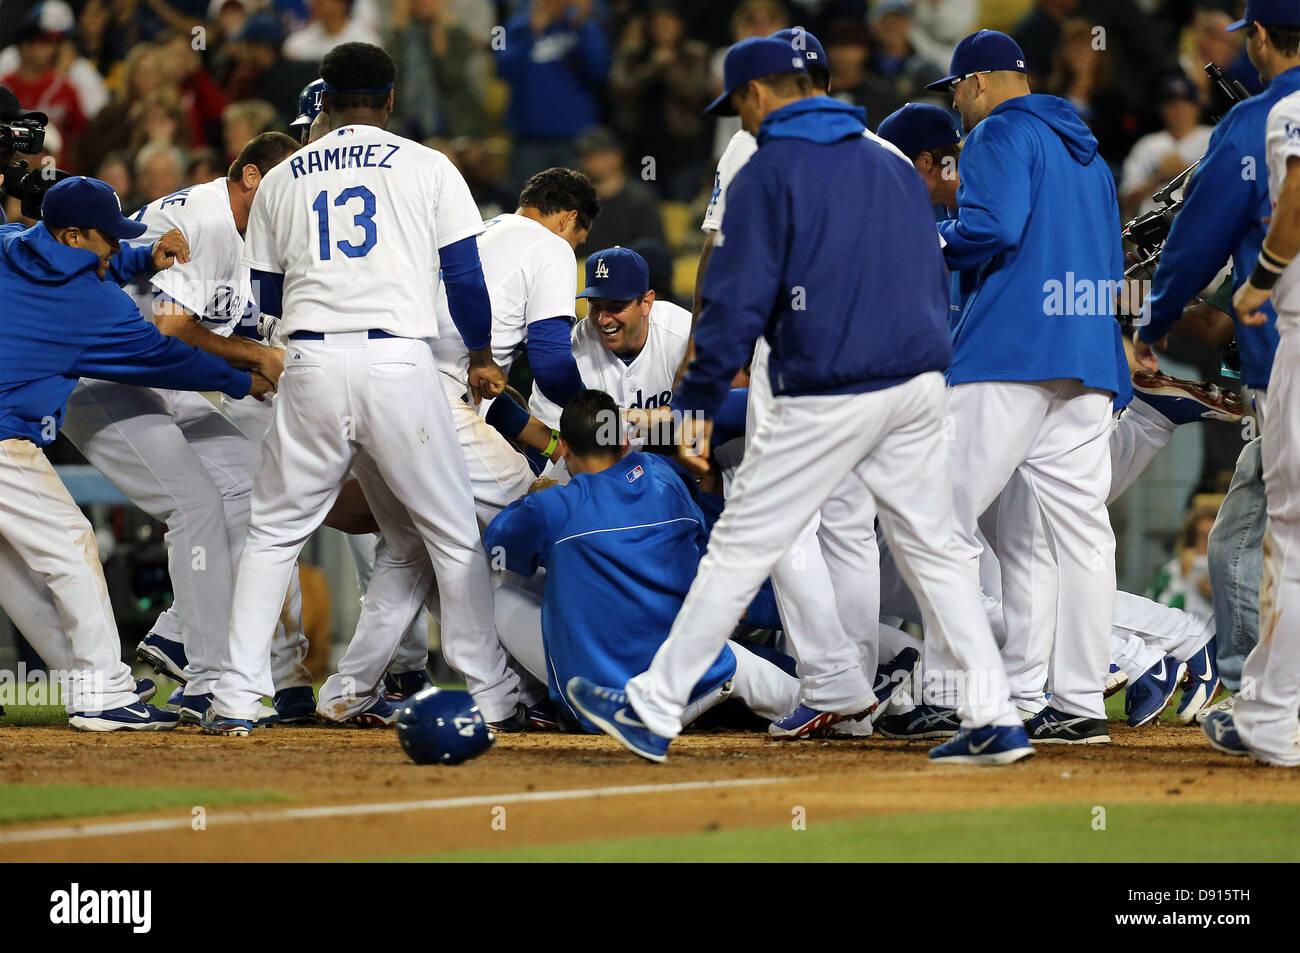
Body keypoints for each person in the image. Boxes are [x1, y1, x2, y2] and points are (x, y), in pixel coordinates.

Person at [567, 37, 1032, 767]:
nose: (740, 122)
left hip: (827, 385)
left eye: (740, 106)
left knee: (745, 540)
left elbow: (732, 302)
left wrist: (694, 401)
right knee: (935, 548)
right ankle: (995, 713)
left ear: (758, 95)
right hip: (916, 382)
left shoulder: (766, 167)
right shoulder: (886, 157)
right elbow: (930, 267)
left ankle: (653, 706)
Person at [204, 42, 515, 735]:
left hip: (310, 360)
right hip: (399, 363)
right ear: (391, 99)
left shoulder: (283, 177)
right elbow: (465, 279)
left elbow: (265, 295)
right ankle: (491, 693)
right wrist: (484, 354)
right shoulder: (428, 165)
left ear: (325, 96)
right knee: (450, 531)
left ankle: (232, 696)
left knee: (274, 533)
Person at [913, 30, 1129, 745]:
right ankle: (1070, 701)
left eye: (956, 94)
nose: (958, 111)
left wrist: (923, 238)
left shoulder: (999, 133)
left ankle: (955, 695)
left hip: (1009, 350)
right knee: (1073, 537)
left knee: (939, 521)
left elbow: (992, 226)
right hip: (1086, 352)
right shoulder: (1089, 153)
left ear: (976, 82)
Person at [0, 176, 268, 730]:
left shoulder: (10, 243)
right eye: (108, 238)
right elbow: (167, 358)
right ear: (73, 234)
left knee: (13, 574)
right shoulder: (89, 305)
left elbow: (77, 264)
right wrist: (244, 381)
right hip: (4, 442)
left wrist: (142, 259)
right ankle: (101, 695)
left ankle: (89, 680)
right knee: (71, 551)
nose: (116, 247)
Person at [60, 133, 307, 726]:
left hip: (150, 373)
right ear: (250, 176)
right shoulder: (208, 220)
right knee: (195, 504)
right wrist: (251, 361)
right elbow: (172, 330)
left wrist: (245, 366)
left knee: (255, 486)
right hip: (98, 373)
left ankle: (177, 637)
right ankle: (205, 677)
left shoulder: (252, 230)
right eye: (283, 183)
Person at [1135, 0, 1300, 720]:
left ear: (1259, 37)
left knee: (1255, 534)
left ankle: (1255, 693)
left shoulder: (1256, 121)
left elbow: (1193, 245)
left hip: (1287, 346)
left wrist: (1154, 320)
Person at [485, 390, 800, 737]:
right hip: (684, 682)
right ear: (622, 446)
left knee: (500, 598)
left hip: (600, 707)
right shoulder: (662, 475)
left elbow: (497, 545)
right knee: (739, 663)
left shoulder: (553, 507)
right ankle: (831, 706)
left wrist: (534, 500)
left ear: (566, 451)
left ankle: (536, 702)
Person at [1205, 75, 1300, 765]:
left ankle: (1261, 704)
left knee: (1275, 535)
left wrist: (1259, 277)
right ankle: (1265, 699)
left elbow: (1292, 202)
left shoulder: (1282, 114)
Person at [529, 246, 689, 429]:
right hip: (597, 456)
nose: (603, 320)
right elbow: (546, 432)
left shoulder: (683, 333)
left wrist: (670, 414)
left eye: (617, 306)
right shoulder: (568, 355)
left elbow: (719, 404)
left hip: (674, 451)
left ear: (646, 302)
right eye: (595, 305)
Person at [495, 0, 611, 192]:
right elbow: (503, 70)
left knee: (576, 207)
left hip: (576, 138)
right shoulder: (518, 26)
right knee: (528, 205)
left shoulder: (585, 26)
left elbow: (599, 71)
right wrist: (533, 32)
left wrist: (580, 28)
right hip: (529, 138)